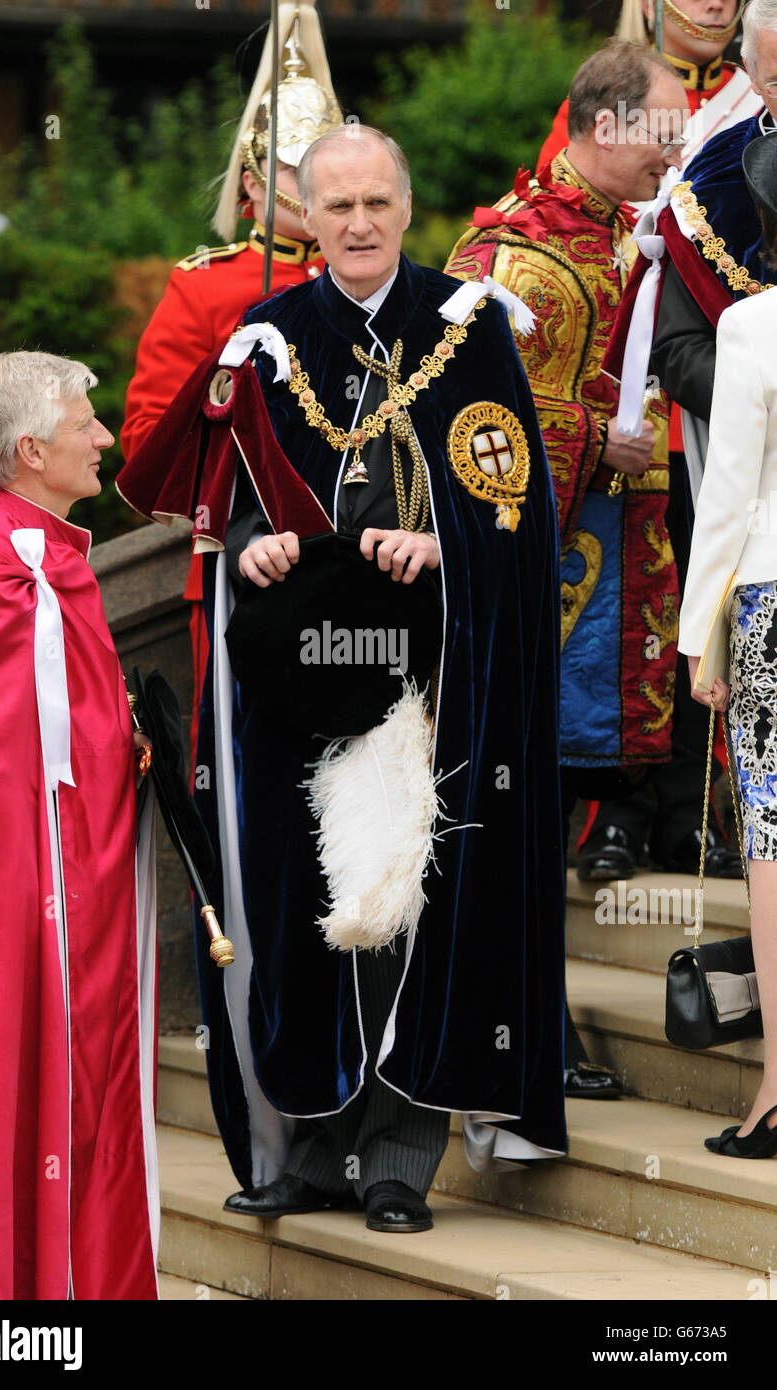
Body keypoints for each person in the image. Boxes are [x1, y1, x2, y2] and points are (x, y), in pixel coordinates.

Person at [118, 124, 567, 1233]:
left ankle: (396, 1157)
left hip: (425, 677)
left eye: (377, 203)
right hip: (298, 671)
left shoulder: (470, 334)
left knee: (404, 900)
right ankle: (313, 1143)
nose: (359, 225)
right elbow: (226, 512)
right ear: (305, 220)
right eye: (337, 208)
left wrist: (446, 547)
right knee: (299, 896)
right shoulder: (264, 342)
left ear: (408, 208)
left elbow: (517, 512)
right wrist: (257, 548)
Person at [445, 40, 689, 1097]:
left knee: (551, 810)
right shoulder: (512, 249)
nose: (672, 154)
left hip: (598, 587)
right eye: (662, 135)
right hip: (523, 590)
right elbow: (469, 422)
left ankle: (534, 1023)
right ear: (605, 126)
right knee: (507, 811)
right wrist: (599, 441)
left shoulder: (631, 234)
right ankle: (515, 1031)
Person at [0, 351, 159, 1298]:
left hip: (74, 891)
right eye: (82, 425)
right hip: (20, 912)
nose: (103, 438)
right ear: (30, 450)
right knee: (1, 1083)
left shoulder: (48, 560)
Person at [121, 2, 342, 751]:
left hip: (360, 545)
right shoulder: (205, 287)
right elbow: (148, 439)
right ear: (252, 181)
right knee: (242, 754)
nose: (309, 179)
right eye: (291, 163)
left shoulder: (377, 279)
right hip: (244, 553)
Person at [599, 0, 777, 881]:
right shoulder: (710, 160)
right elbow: (654, 314)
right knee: (658, 621)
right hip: (676, 436)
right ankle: (648, 815)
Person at [678, 134, 777, 1158]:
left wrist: (698, 634)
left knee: (774, 852)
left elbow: (731, 497)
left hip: (773, 605)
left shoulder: (753, 325)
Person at [539, 1, 756, 176]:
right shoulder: (602, 96)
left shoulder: (760, 96)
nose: (716, 4)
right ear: (650, 6)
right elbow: (557, 202)